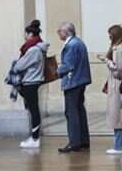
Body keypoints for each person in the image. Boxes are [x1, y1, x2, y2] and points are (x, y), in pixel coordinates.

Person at [55, 21, 92, 154]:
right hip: (80, 80)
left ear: (66, 32)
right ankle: (83, 140)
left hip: (73, 81)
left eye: (59, 31)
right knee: (79, 110)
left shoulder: (71, 45)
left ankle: (74, 142)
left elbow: (68, 65)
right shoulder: (79, 42)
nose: (58, 33)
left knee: (71, 112)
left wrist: (55, 72)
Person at [11, 20, 48, 149]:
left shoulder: (33, 50)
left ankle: (35, 138)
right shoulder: (37, 48)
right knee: (33, 110)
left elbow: (19, 66)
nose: (25, 37)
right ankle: (34, 137)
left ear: (31, 34)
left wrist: (16, 64)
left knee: (33, 111)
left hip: (30, 82)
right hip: (32, 81)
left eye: (26, 34)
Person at [104, 25, 122, 155]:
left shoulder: (119, 49)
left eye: (110, 34)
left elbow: (119, 70)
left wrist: (107, 62)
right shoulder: (118, 48)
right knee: (119, 116)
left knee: (119, 116)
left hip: (117, 86)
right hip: (116, 85)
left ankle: (119, 145)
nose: (109, 37)